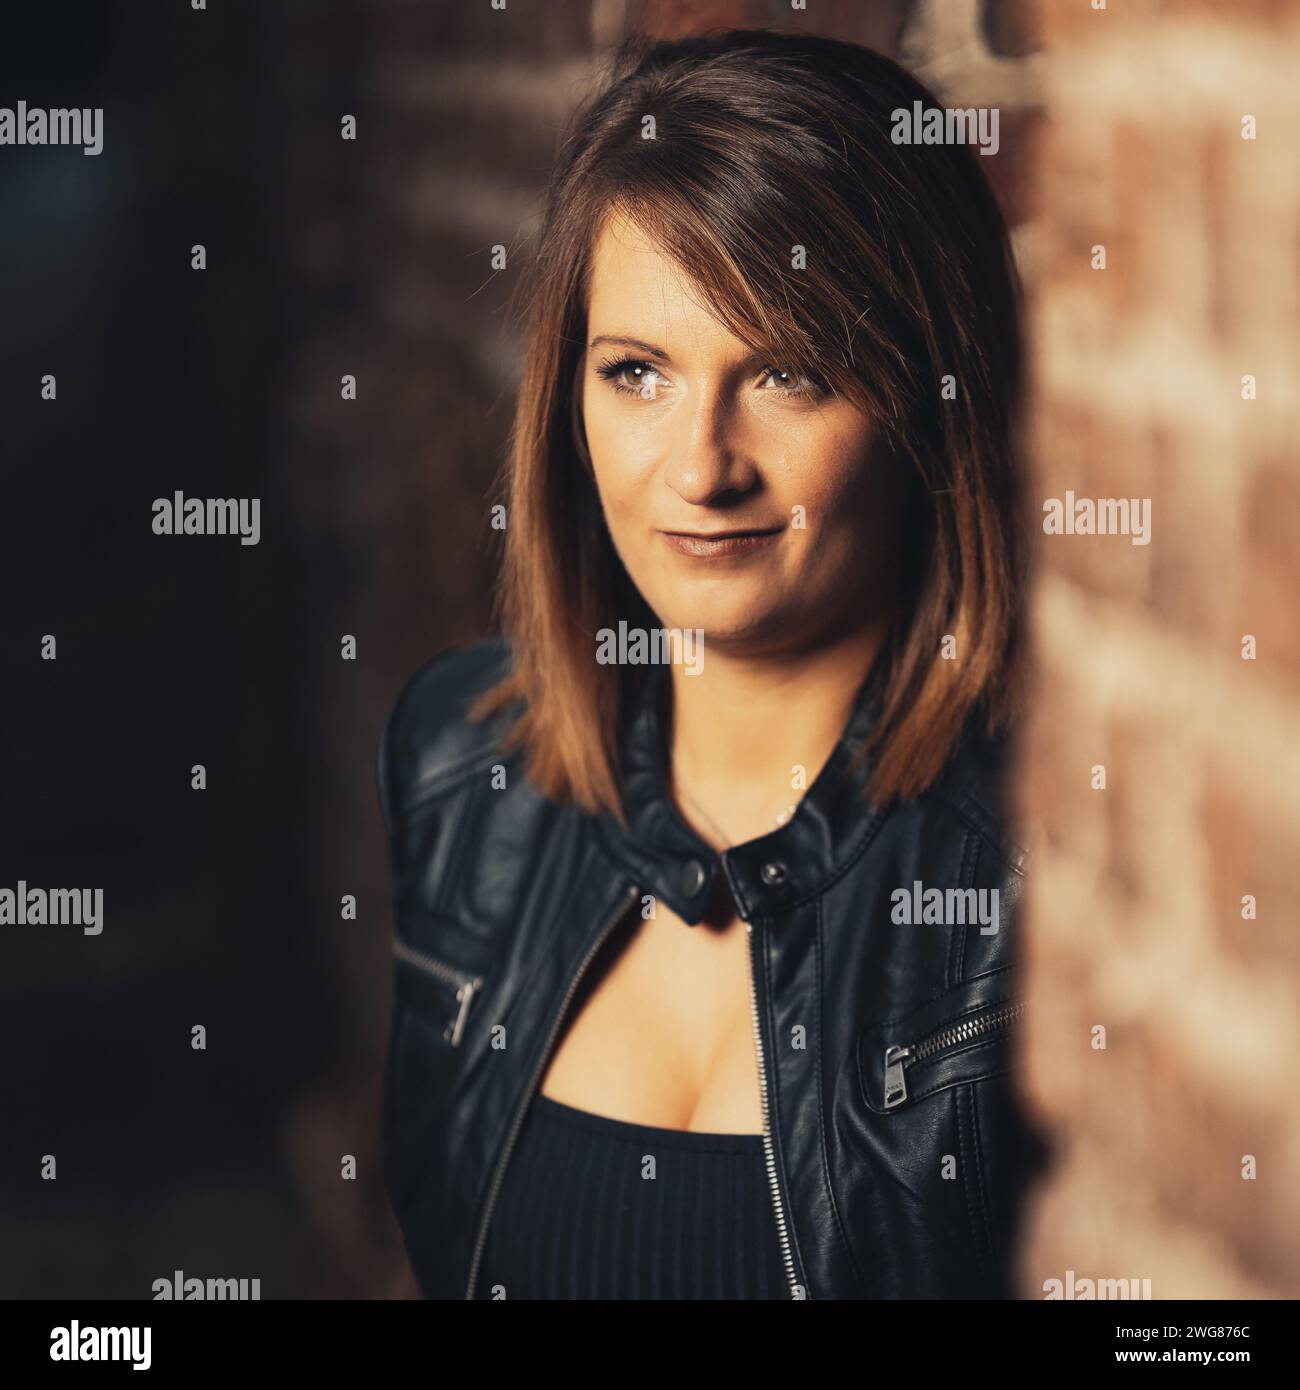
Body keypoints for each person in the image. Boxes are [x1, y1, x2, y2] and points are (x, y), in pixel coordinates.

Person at [377, 27, 1052, 1300]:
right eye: (637, 372)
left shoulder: (1041, 871)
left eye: (790, 373)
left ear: (927, 398)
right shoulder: (463, 765)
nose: (700, 468)